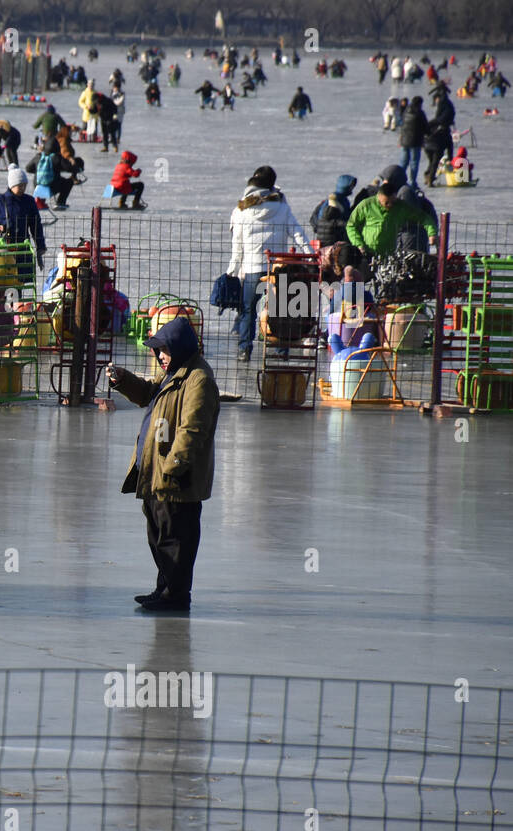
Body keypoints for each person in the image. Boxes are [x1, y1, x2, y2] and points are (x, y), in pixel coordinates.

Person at [105, 315, 220, 613]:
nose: (160, 357)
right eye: (157, 352)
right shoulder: (176, 372)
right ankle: (165, 589)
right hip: (157, 475)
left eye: (164, 351)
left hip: (175, 480)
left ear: (180, 348)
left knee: (175, 540)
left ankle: (176, 596)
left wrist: (173, 468)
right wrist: (123, 379)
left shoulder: (199, 380)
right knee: (159, 537)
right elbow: (147, 393)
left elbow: (192, 430)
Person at [226, 165, 311, 360]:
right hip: (278, 266)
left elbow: (237, 244)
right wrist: (310, 254)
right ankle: (281, 349)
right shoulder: (282, 207)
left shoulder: (241, 211)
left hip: (252, 267)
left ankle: (244, 349)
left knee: (248, 309)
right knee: (281, 309)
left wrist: (233, 269)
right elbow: (297, 232)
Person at [345, 182, 437, 259]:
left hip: (388, 256)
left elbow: (425, 218)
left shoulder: (401, 207)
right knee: (359, 279)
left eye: (393, 202)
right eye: (386, 203)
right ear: (379, 197)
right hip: (366, 253)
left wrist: (432, 233)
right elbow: (351, 225)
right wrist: (358, 244)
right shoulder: (366, 205)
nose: (390, 205)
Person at [0, 166, 46, 269]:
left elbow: (36, 226)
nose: (23, 188)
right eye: (19, 185)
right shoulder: (0, 200)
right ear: (12, 185)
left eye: (24, 185)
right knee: (4, 276)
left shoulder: (29, 201)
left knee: (23, 278)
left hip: (23, 246)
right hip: (4, 246)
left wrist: (40, 247)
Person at [309, 174, 357, 246]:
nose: (352, 188)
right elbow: (325, 218)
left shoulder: (343, 199)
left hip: (336, 236)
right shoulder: (334, 200)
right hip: (331, 238)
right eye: (351, 186)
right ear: (345, 186)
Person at [398, 95, 427, 188]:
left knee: (403, 162)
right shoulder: (420, 113)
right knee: (414, 162)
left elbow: (401, 124)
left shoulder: (406, 111)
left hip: (404, 141)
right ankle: (413, 182)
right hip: (415, 141)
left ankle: (399, 180)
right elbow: (425, 127)